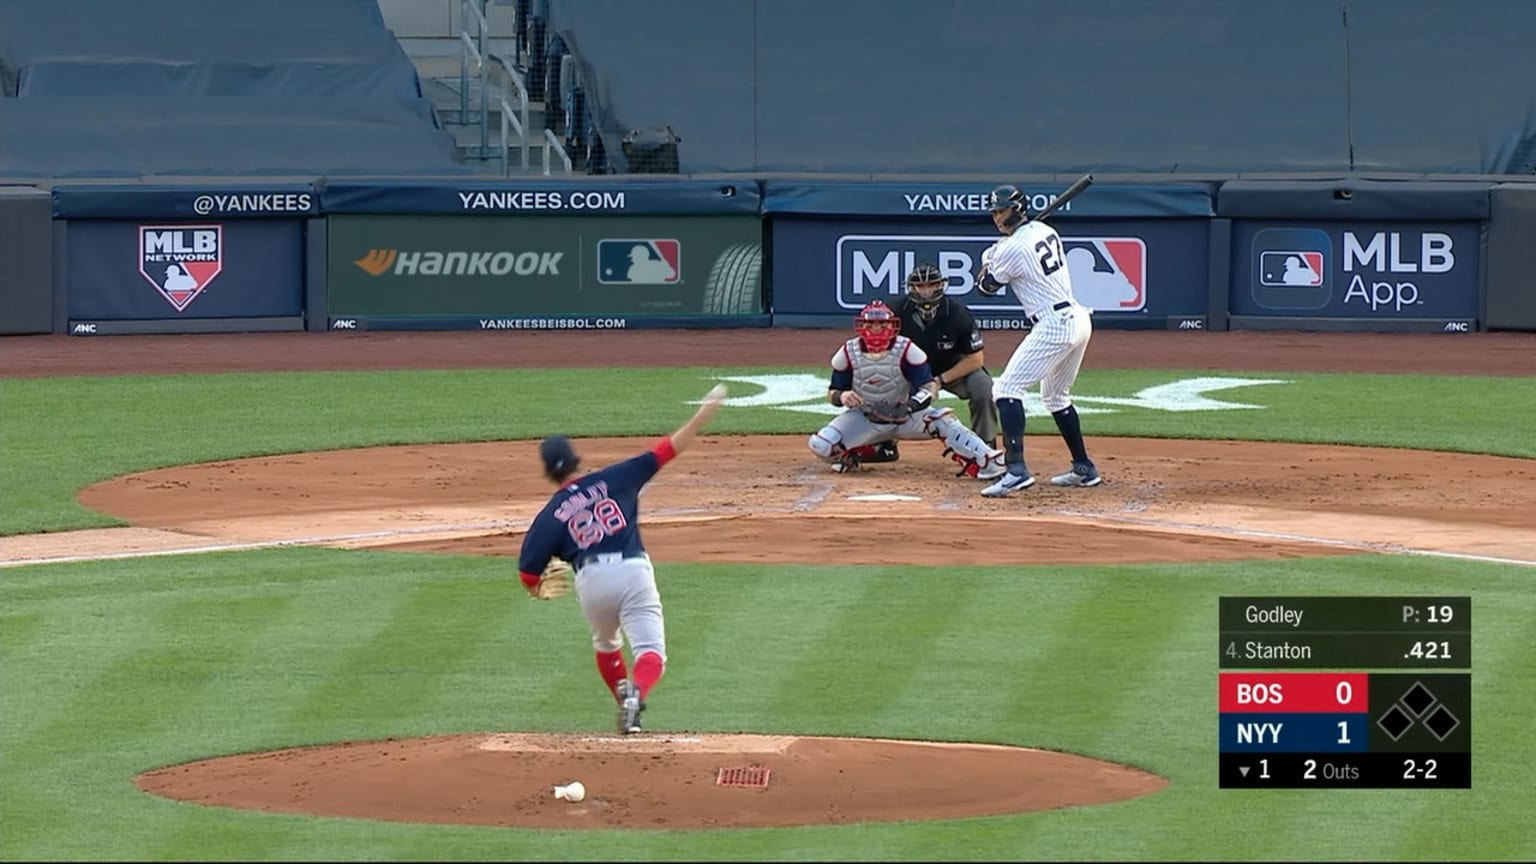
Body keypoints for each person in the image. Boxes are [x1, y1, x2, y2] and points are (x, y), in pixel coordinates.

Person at [517, 383, 728, 734]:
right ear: (576, 461)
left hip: (592, 582)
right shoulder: (615, 478)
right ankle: (637, 695)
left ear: (549, 472)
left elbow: (528, 574)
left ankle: (625, 706)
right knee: (651, 653)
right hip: (633, 572)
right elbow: (667, 449)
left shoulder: (549, 515)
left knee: (606, 645)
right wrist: (703, 413)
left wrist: (538, 587)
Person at [973, 184, 1102, 496]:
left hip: (1054, 323)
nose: (996, 217)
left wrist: (989, 260)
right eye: (994, 211)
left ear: (1017, 210)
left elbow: (985, 288)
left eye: (1001, 211)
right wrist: (997, 254)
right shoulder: (1044, 229)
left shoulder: (1012, 248)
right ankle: (1083, 467)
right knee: (1056, 397)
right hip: (1078, 319)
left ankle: (1016, 470)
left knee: (1005, 389)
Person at [807, 299, 1004, 479]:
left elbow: (928, 388)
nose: (876, 330)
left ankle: (987, 459)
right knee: (821, 444)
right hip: (865, 418)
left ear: (892, 326)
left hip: (907, 416)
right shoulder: (847, 353)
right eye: (871, 325)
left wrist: (909, 406)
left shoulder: (907, 350)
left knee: (943, 420)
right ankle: (863, 451)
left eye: (882, 325)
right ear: (862, 326)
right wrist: (843, 396)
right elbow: (833, 393)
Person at [892, 262, 1000, 448]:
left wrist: (939, 380)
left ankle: (985, 445)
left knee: (983, 386)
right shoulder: (895, 310)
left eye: (931, 285)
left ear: (941, 285)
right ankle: (883, 443)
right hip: (910, 371)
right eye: (920, 286)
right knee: (881, 383)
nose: (925, 291)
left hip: (951, 368)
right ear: (911, 287)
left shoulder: (959, 313)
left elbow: (975, 359)